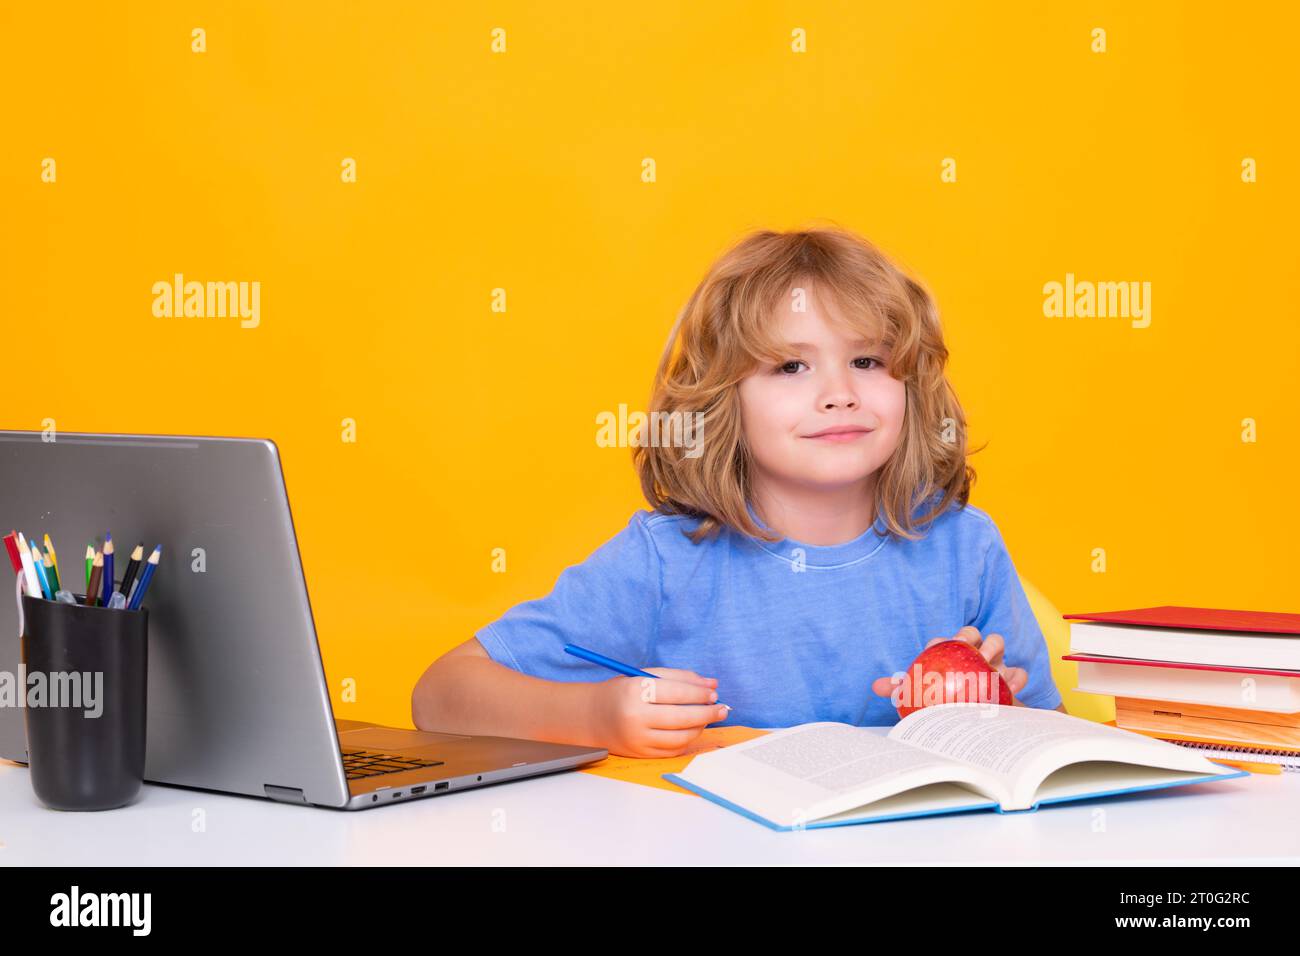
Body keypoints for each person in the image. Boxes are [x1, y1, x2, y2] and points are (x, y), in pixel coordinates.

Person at [412, 226, 1065, 757]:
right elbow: (440, 695)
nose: (840, 392)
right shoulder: (667, 561)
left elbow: (1052, 740)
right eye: (790, 366)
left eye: (867, 361)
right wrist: (596, 716)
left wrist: (991, 717)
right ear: (722, 403)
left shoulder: (964, 547)